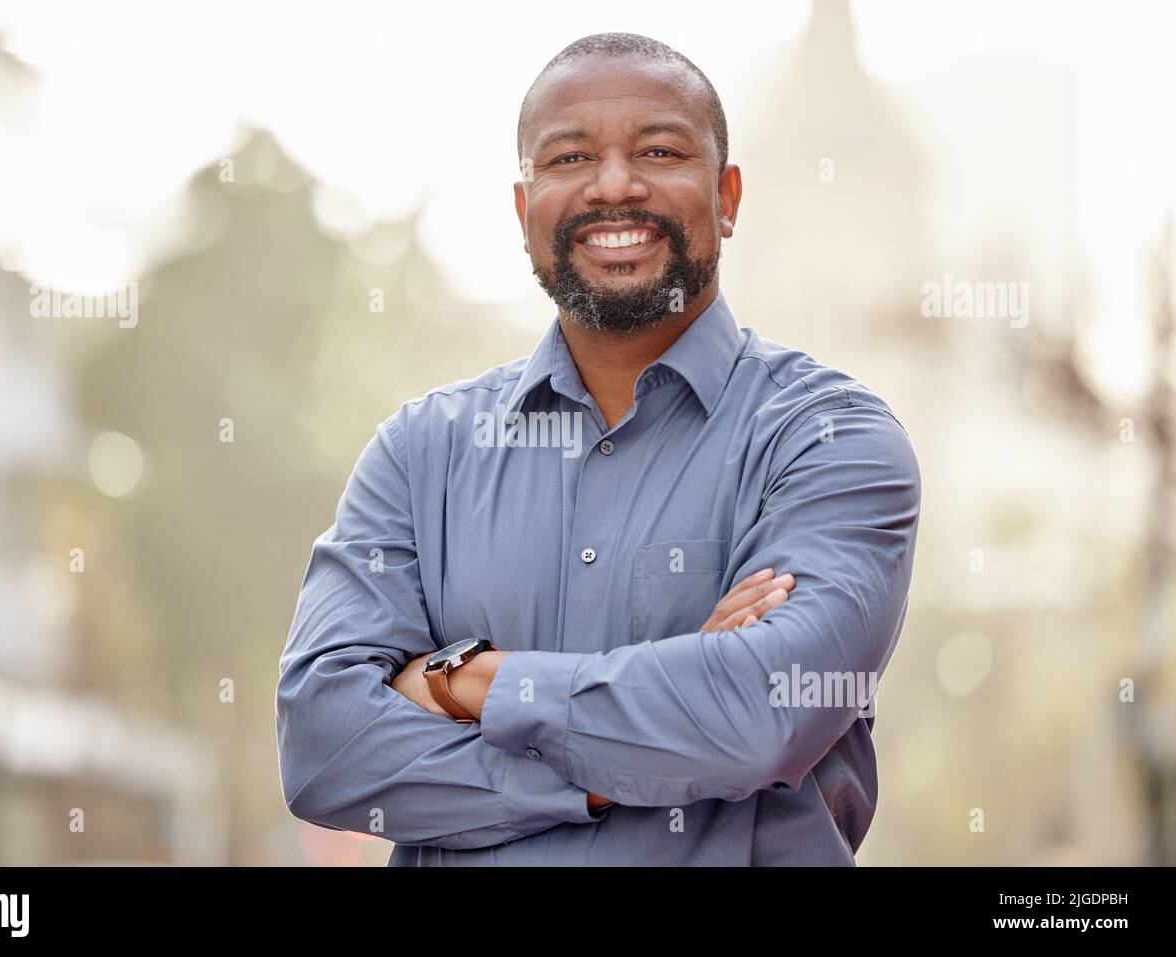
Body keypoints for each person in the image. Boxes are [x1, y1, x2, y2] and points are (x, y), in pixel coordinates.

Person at [276, 32, 921, 865]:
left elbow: (760, 714)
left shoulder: (828, 439)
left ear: (727, 197)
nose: (615, 184)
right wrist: (615, 761)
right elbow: (325, 750)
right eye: (571, 157)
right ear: (524, 212)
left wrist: (462, 681)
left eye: (658, 149)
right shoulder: (419, 456)